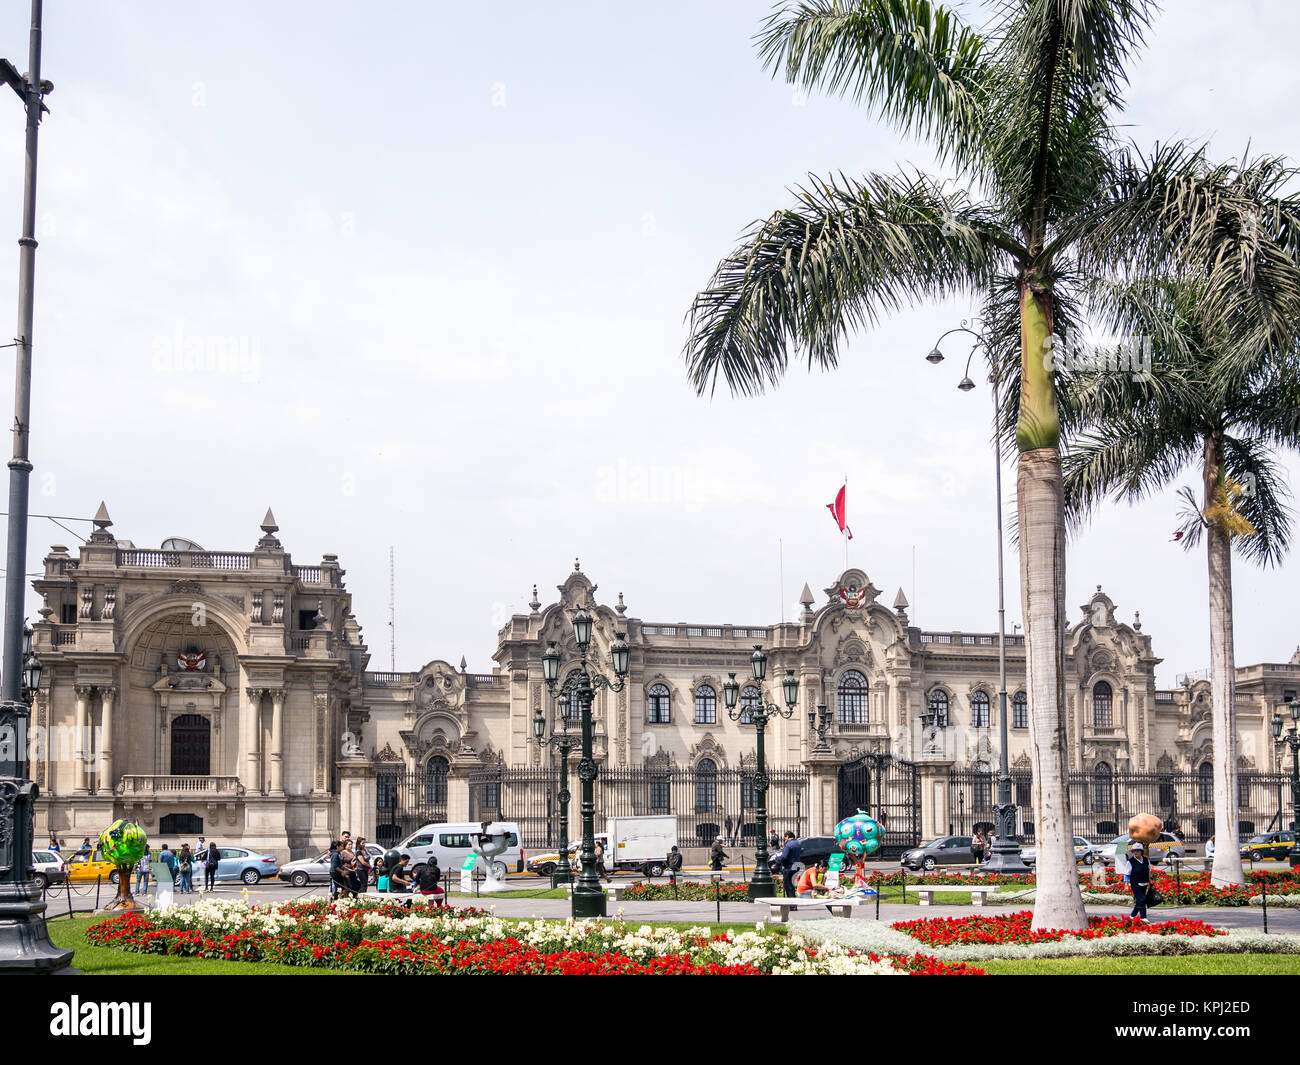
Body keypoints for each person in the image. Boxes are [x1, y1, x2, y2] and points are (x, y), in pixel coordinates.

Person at [773, 831, 801, 899]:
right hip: (796, 866)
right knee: (791, 885)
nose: (785, 839)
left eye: (785, 837)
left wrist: (777, 859)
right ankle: (793, 903)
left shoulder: (788, 844)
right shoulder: (798, 843)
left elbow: (784, 856)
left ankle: (792, 904)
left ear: (788, 836)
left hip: (789, 867)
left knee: (788, 886)